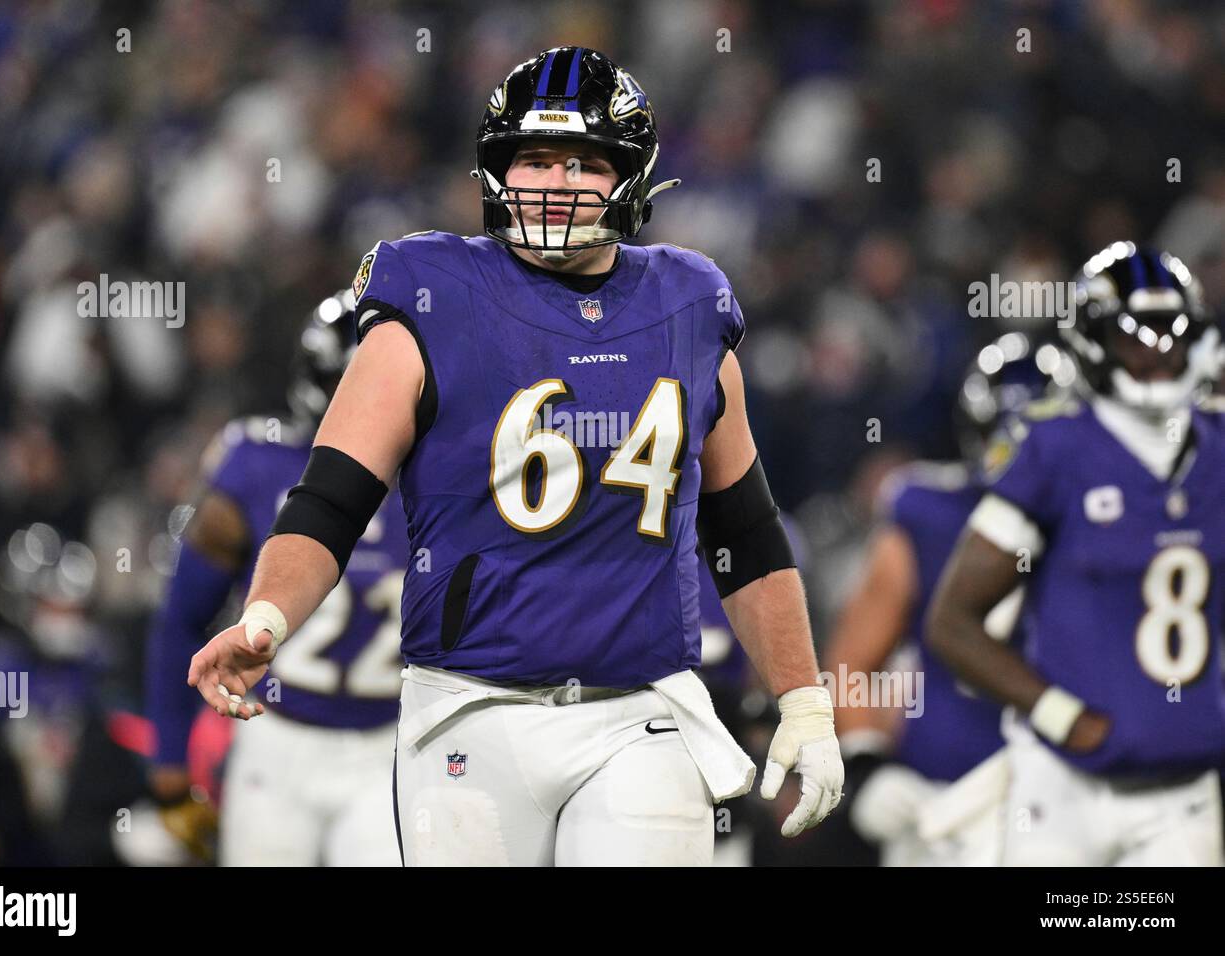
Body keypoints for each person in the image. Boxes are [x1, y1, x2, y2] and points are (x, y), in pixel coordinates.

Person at [188, 46, 842, 866]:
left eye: (584, 162)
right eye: (535, 158)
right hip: (470, 709)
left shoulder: (689, 304)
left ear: (629, 177)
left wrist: (804, 700)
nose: (558, 183)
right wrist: (268, 616)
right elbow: (328, 500)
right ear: (497, 170)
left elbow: (745, 531)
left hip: (640, 712)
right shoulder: (431, 293)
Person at [928, 243, 1225, 865]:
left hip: (1185, 792)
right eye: (1134, 337)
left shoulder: (1217, 450)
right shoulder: (1056, 451)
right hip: (1061, 788)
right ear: (1093, 342)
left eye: (1172, 334)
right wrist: (1063, 717)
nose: (1158, 353)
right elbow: (952, 623)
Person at [147, 292, 406, 865]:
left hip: (391, 749)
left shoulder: (440, 474)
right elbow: (181, 621)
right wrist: (168, 764)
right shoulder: (256, 468)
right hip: (277, 739)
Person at [826, 333, 1070, 865]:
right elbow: (850, 664)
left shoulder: (1107, 519)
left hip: (1069, 800)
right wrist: (866, 762)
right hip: (939, 800)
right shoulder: (925, 515)